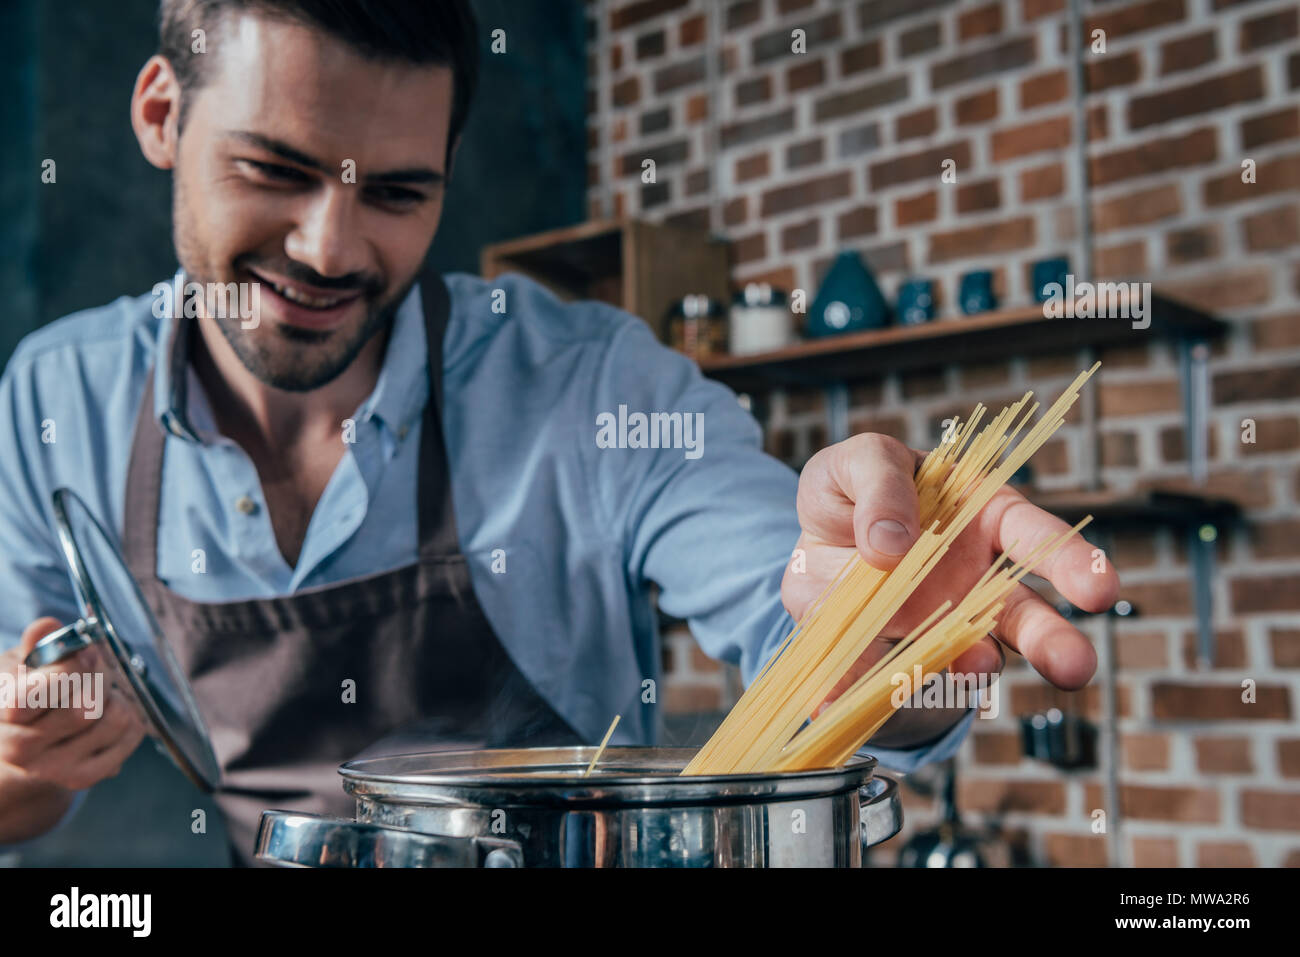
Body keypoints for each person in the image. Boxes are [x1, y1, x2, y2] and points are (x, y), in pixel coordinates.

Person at [0, 0, 1118, 863]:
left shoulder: (590, 387)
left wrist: (891, 628)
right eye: (274, 170)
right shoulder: (58, 399)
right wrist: (22, 758)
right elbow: (21, 788)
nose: (331, 247)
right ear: (161, 115)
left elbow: (808, 623)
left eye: (396, 193)